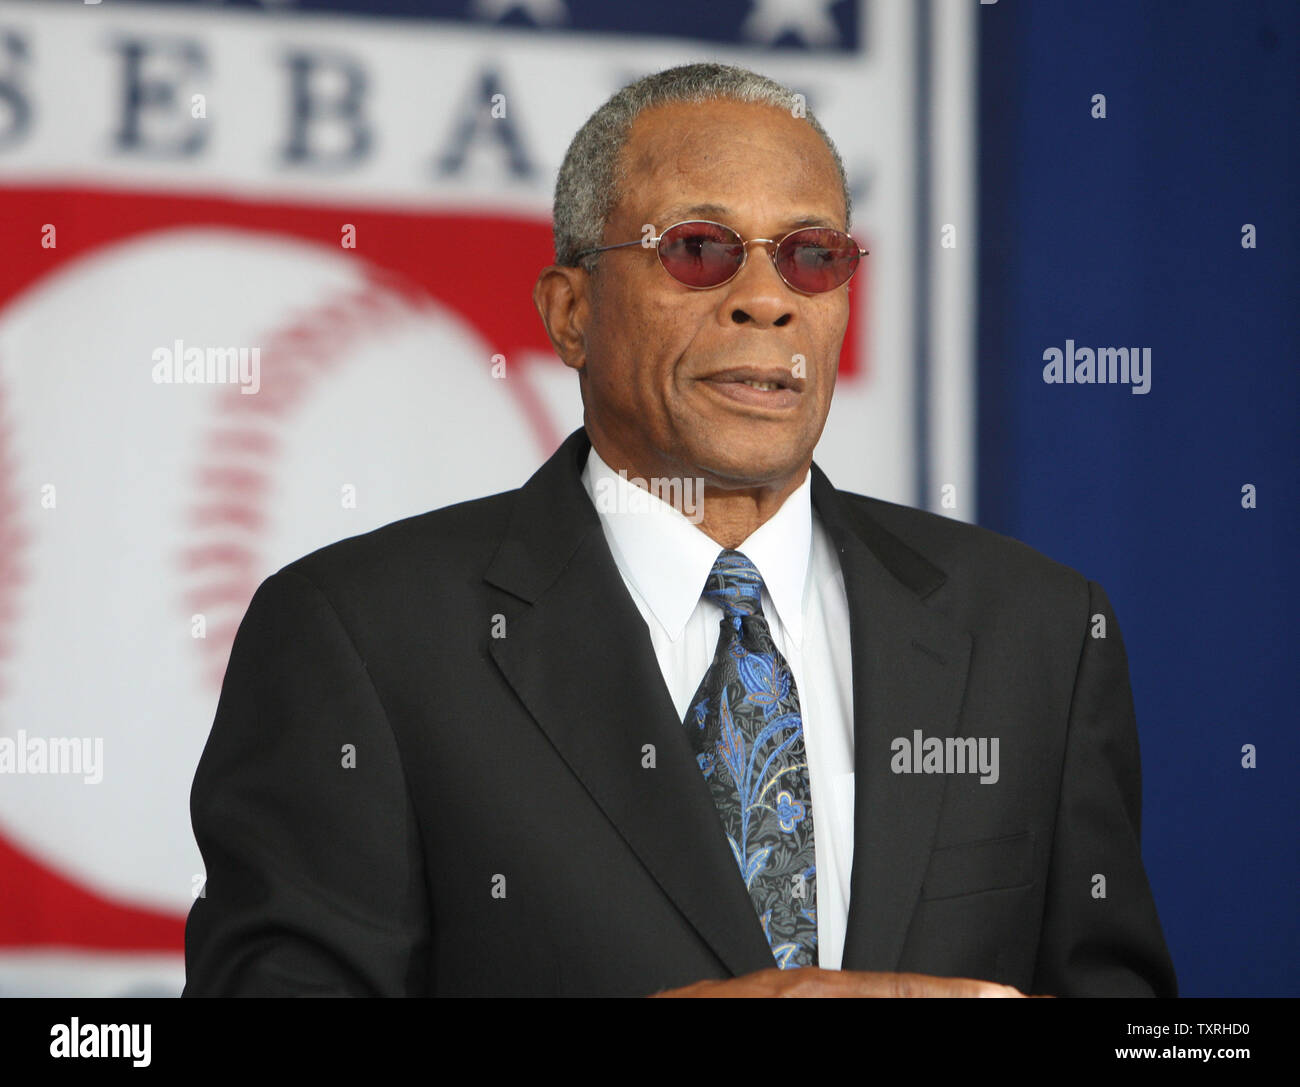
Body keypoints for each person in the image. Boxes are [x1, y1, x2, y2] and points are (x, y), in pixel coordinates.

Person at [183, 62, 1176, 998]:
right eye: (697, 249)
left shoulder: (1037, 632)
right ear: (570, 312)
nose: (765, 300)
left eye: (810, 256)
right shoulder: (362, 636)